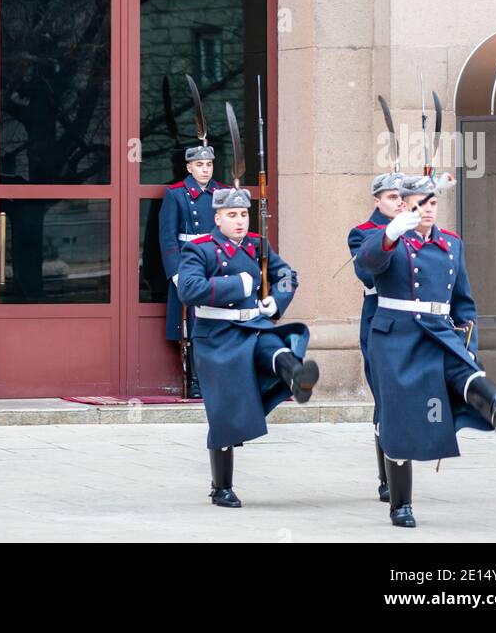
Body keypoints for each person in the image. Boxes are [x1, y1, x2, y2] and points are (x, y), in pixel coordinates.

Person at [354, 175, 496, 529]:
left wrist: (468, 345)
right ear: (403, 205)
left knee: (465, 371)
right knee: (399, 418)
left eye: (432, 203)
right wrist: (390, 234)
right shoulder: (389, 240)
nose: (428, 210)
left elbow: (464, 301)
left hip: (439, 331)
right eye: (420, 203)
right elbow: (365, 266)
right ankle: (400, 505)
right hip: (396, 336)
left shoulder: (451, 244)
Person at [177, 185, 319, 507]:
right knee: (223, 412)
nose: (240, 221)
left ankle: (298, 379)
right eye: (232, 215)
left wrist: (276, 300)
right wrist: (238, 284)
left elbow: (287, 276)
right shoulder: (200, 249)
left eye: (243, 214)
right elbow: (189, 289)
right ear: (218, 218)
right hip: (216, 336)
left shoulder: (258, 244)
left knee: (275, 347)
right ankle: (221, 487)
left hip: (252, 325)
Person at [347, 171, 406, 502]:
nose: (398, 202)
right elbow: (367, 274)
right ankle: (387, 478)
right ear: (377, 200)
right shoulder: (362, 233)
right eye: (391, 197)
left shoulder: (416, 229)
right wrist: (393, 233)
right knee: (385, 398)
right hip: (379, 318)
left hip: (413, 322)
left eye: (402, 196)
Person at [159, 144, 222, 399]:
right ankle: (196, 380)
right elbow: (168, 237)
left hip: (217, 262)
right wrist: (176, 273)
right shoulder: (176, 194)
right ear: (189, 168)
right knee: (193, 324)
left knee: (219, 321)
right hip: (189, 264)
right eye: (199, 165)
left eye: (208, 165)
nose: (205, 170)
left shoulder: (223, 192)